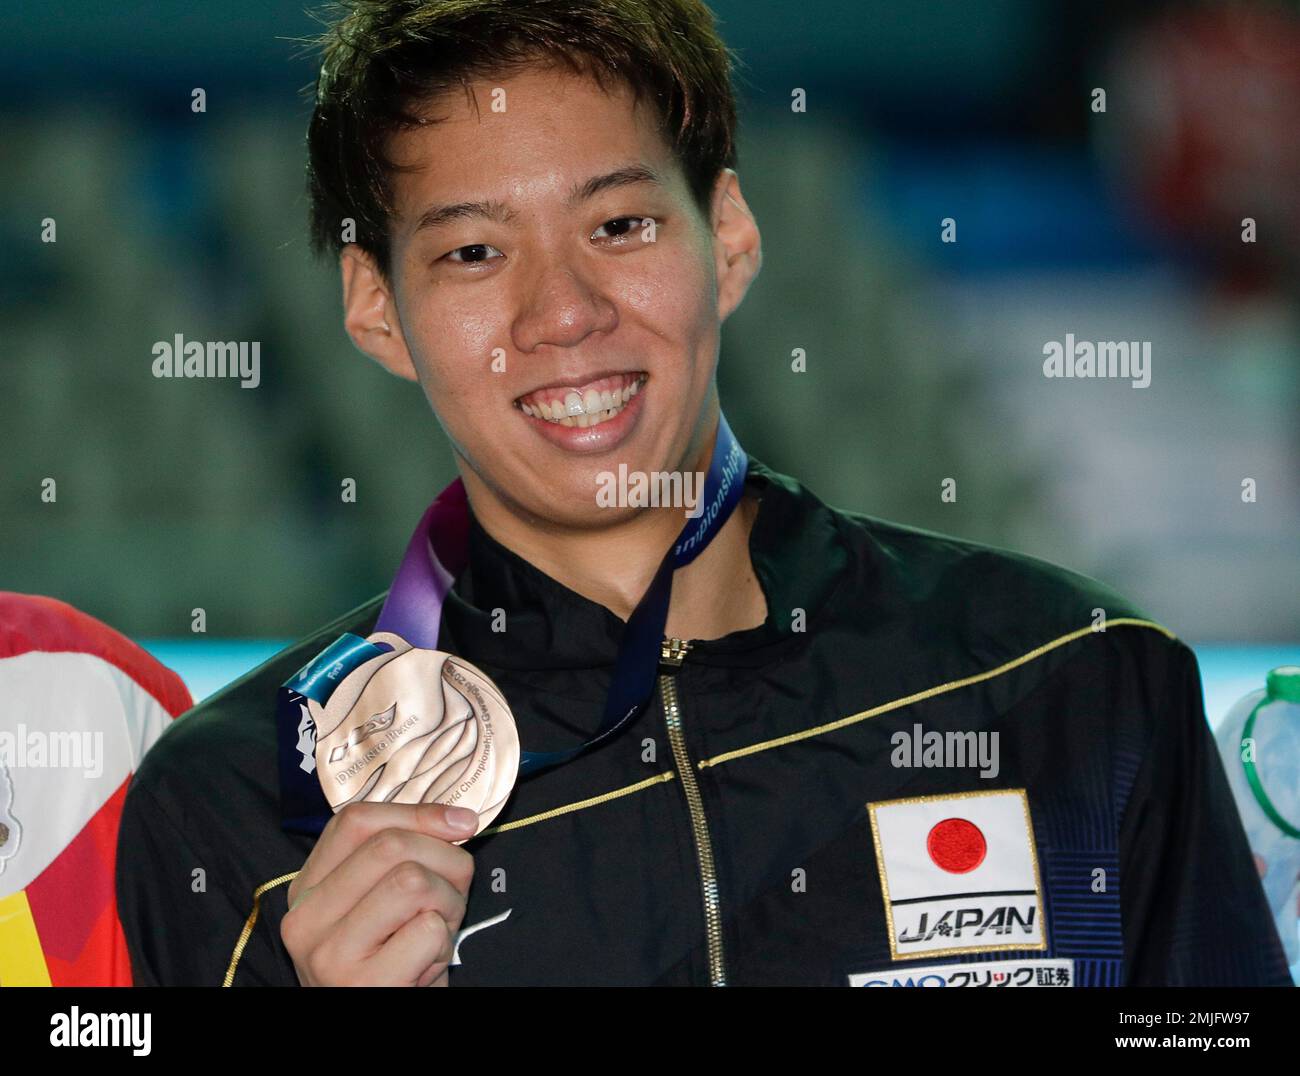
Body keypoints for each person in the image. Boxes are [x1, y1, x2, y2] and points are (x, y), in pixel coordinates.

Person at [115, 0, 1290, 987]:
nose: (562, 312)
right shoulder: (241, 807)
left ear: (726, 235)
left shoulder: (1066, 674)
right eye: (473, 251)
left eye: (619, 224)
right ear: (376, 307)